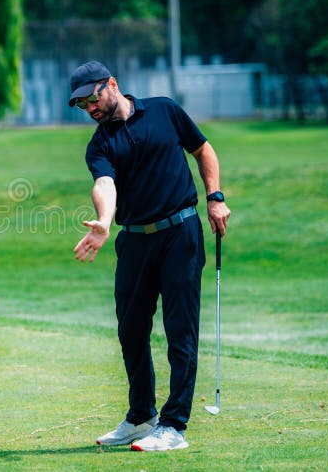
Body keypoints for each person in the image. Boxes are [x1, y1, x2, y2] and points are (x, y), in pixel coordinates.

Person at [70, 61, 230, 452]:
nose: (90, 108)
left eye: (92, 98)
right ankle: (142, 416)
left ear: (111, 84)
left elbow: (202, 149)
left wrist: (215, 197)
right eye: (81, 105)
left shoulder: (164, 110)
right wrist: (104, 221)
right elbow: (105, 184)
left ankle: (174, 426)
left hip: (180, 233)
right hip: (135, 241)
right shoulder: (100, 145)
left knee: (180, 331)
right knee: (131, 330)